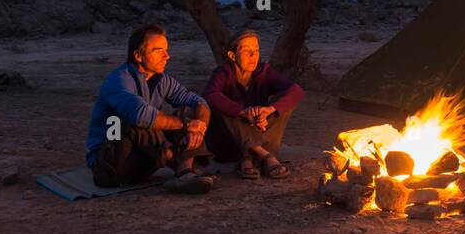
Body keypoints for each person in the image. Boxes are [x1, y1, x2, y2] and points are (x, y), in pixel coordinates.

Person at [85, 24, 214, 195]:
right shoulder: (118, 80)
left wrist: (198, 128)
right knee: (136, 120)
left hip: (143, 160)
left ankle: (184, 172)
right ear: (138, 56)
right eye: (158, 50)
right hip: (110, 165)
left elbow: (199, 102)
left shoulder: (162, 80)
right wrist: (187, 124)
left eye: (166, 50)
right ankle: (180, 167)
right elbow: (139, 115)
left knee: (187, 112)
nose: (167, 56)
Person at [202, 29, 303, 179]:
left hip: (261, 132)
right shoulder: (223, 72)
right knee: (220, 105)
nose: (253, 55)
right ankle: (261, 154)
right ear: (232, 55)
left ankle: (249, 157)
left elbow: (296, 90)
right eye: (246, 51)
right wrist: (244, 112)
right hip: (229, 144)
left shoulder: (264, 72)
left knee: (285, 101)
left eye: (256, 50)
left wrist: (268, 110)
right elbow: (209, 95)